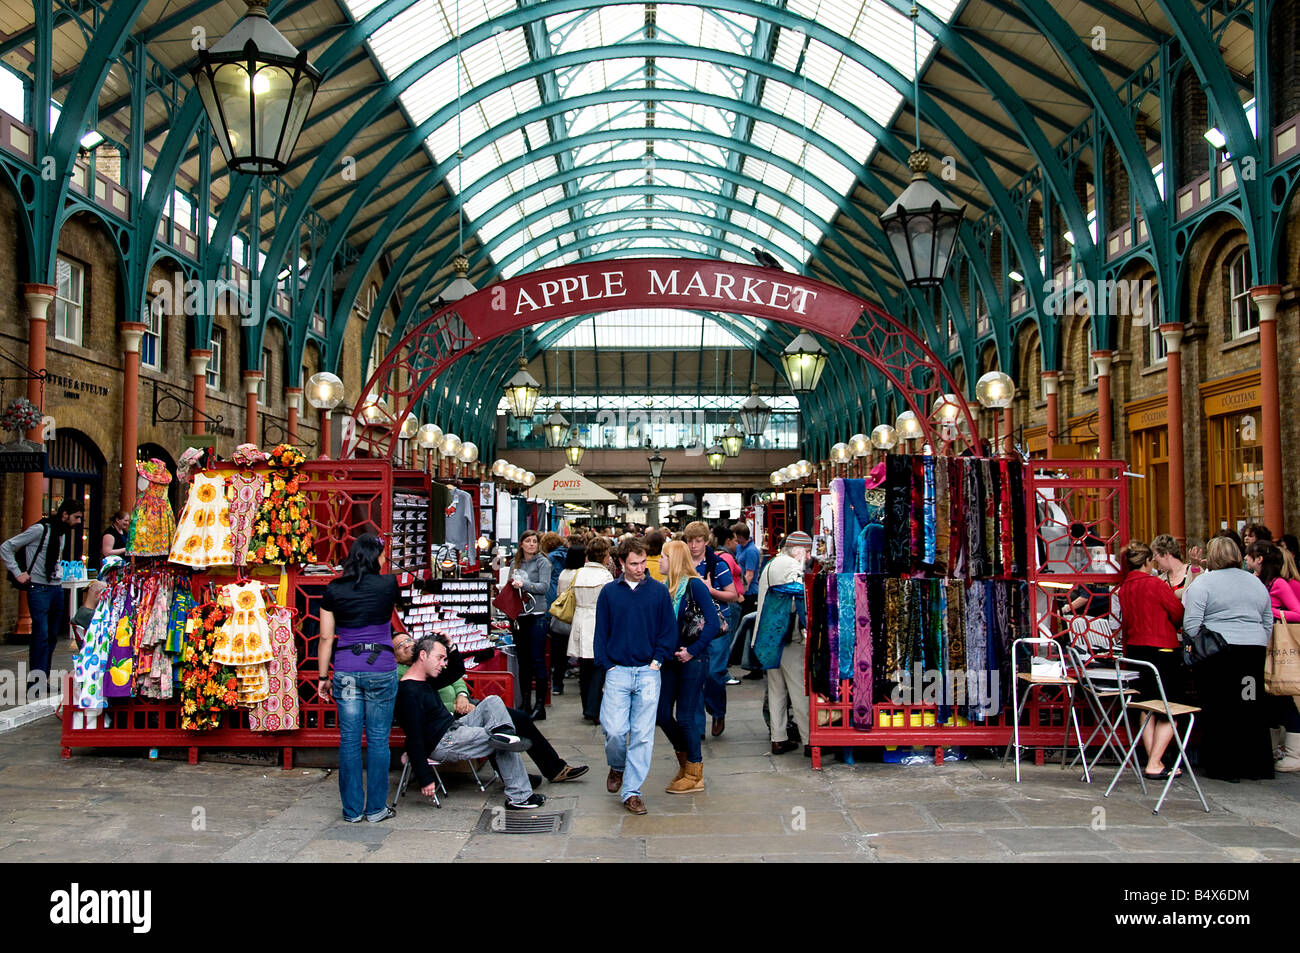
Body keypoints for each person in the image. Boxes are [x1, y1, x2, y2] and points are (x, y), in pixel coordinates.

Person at [392, 633, 589, 784]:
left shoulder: (432, 663)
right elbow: (420, 708)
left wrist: (462, 695)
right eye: (401, 645)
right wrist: (454, 706)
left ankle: (548, 770)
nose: (408, 644)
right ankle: (524, 777)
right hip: (449, 719)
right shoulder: (404, 676)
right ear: (395, 657)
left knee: (516, 719)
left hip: (466, 705)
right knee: (501, 729)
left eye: (409, 639)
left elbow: (456, 677)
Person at [396, 635, 545, 810]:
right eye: (440, 658)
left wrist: (451, 645)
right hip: (443, 741)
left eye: (444, 659)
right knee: (499, 741)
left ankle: (505, 733)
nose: (443, 663)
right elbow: (414, 737)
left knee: (492, 702)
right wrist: (425, 778)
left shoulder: (425, 679)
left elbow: (456, 671)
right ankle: (520, 797)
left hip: (454, 728)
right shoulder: (408, 692)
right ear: (423, 655)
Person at [317, 534, 402, 823]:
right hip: (381, 667)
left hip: (347, 669)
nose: (383, 559)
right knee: (379, 739)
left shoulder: (334, 590)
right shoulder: (389, 585)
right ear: (374, 557)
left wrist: (322, 676)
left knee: (350, 741)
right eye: (382, 555)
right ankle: (376, 808)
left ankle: (352, 811)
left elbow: (326, 638)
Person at [593, 538, 677, 815]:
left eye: (643, 562)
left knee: (642, 735)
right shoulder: (608, 592)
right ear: (621, 563)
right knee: (614, 731)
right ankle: (617, 765)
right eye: (634, 564)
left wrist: (657, 660)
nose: (640, 568)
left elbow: (668, 629)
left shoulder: (658, 592)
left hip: (647, 670)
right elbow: (601, 631)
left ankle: (632, 791)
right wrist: (607, 664)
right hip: (618, 669)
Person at [1181, 536, 1275, 782]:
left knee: (1219, 706)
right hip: (1252, 651)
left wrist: (1203, 644)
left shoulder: (1204, 583)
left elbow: (1191, 624)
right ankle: (1255, 765)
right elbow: (1267, 619)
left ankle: (1225, 766)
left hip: (1219, 652)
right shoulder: (1255, 583)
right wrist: (1258, 640)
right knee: (1250, 704)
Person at [1115, 541, 1186, 780]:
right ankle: (1156, 761)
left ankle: (1152, 757)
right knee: (1170, 708)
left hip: (1136, 649)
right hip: (1163, 648)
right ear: (1147, 562)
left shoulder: (1124, 588)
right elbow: (1177, 614)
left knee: (1146, 706)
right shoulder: (1155, 584)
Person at [0, 498, 84, 694]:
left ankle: (42, 679)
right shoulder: (40, 529)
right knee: (41, 634)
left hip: (55, 587)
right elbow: (6, 547)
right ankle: (35, 681)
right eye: (77, 517)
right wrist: (18, 572)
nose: (79, 521)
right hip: (38, 588)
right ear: (64, 515)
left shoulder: (61, 534)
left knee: (53, 635)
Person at [656, 539, 720, 793]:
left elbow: (713, 624)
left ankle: (694, 772)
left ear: (675, 560)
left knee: (685, 715)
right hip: (670, 660)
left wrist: (692, 651)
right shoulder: (665, 588)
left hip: (693, 659)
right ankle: (684, 759)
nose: (659, 560)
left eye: (663, 556)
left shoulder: (695, 585)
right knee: (661, 714)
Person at [754, 531, 812, 755]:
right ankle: (809, 741)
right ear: (799, 551)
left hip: (767, 639)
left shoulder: (772, 563)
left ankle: (778, 738)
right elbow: (798, 600)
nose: (807, 558)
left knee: (776, 690)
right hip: (786, 640)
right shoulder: (791, 566)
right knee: (799, 691)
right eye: (806, 553)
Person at [568, 536, 613, 722]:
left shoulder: (578, 574)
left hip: (579, 621)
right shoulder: (606, 576)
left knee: (584, 668)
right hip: (598, 622)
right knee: (598, 669)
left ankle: (586, 705)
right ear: (604, 556)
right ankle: (594, 710)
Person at [510, 530, 552, 719]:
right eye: (528, 541)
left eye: (535, 541)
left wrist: (524, 585)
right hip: (520, 615)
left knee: (537, 660)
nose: (532, 544)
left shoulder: (542, 562)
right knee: (523, 661)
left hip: (537, 615)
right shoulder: (515, 562)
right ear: (521, 544)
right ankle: (525, 703)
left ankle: (540, 705)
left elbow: (544, 587)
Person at [540, 532, 568, 695]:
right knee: (561, 647)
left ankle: (548, 678)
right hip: (565, 607)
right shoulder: (569, 557)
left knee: (546, 645)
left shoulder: (547, 560)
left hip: (549, 605)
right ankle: (559, 680)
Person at [1151, 533, 1200, 600]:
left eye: (1155, 555)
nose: (1153, 559)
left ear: (1166, 554)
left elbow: (1199, 594)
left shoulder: (1194, 570)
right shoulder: (1160, 579)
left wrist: (1196, 569)